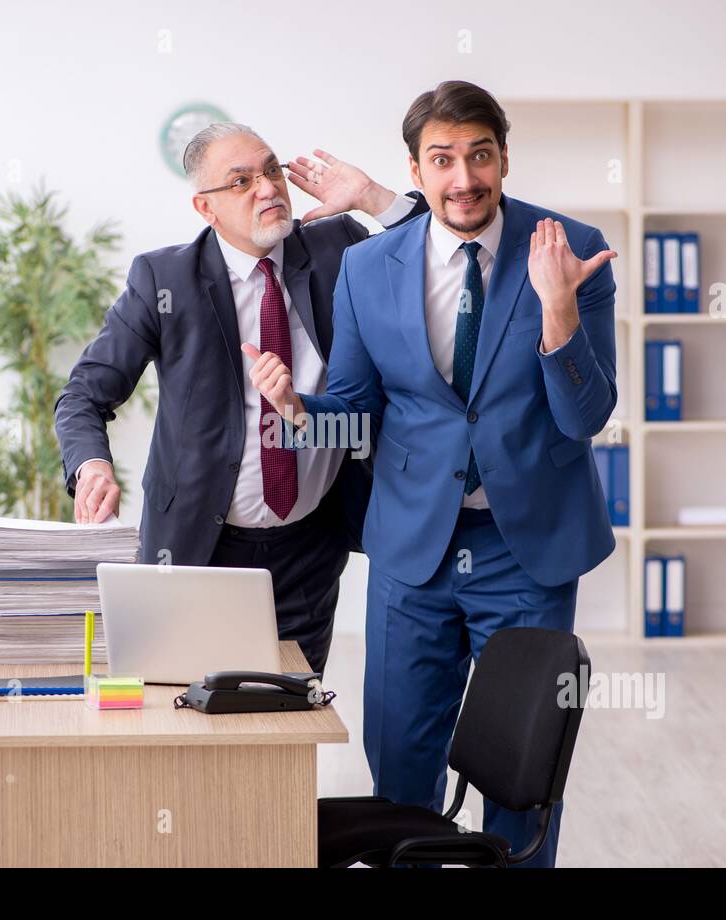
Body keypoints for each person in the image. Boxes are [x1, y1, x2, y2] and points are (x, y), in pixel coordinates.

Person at [245, 81, 618, 865]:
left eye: (480, 155)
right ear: (414, 170)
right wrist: (299, 409)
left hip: (527, 548)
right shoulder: (368, 266)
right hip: (413, 551)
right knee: (400, 767)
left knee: (523, 779)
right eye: (443, 159)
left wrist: (559, 313)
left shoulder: (569, 247)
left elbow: (585, 418)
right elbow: (357, 413)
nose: (464, 178)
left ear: (504, 157)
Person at [54, 122, 426, 675]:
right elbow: (84, 394)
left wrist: (374, 196)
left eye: (272, 170)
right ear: (206, 207)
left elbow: (441, 253)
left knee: (290, 709)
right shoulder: (164, 279)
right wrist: (91, 465)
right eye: (241, 181)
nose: (268, 188)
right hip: (198, 550)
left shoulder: (337, 248)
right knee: (183, 705)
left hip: (311, 547)